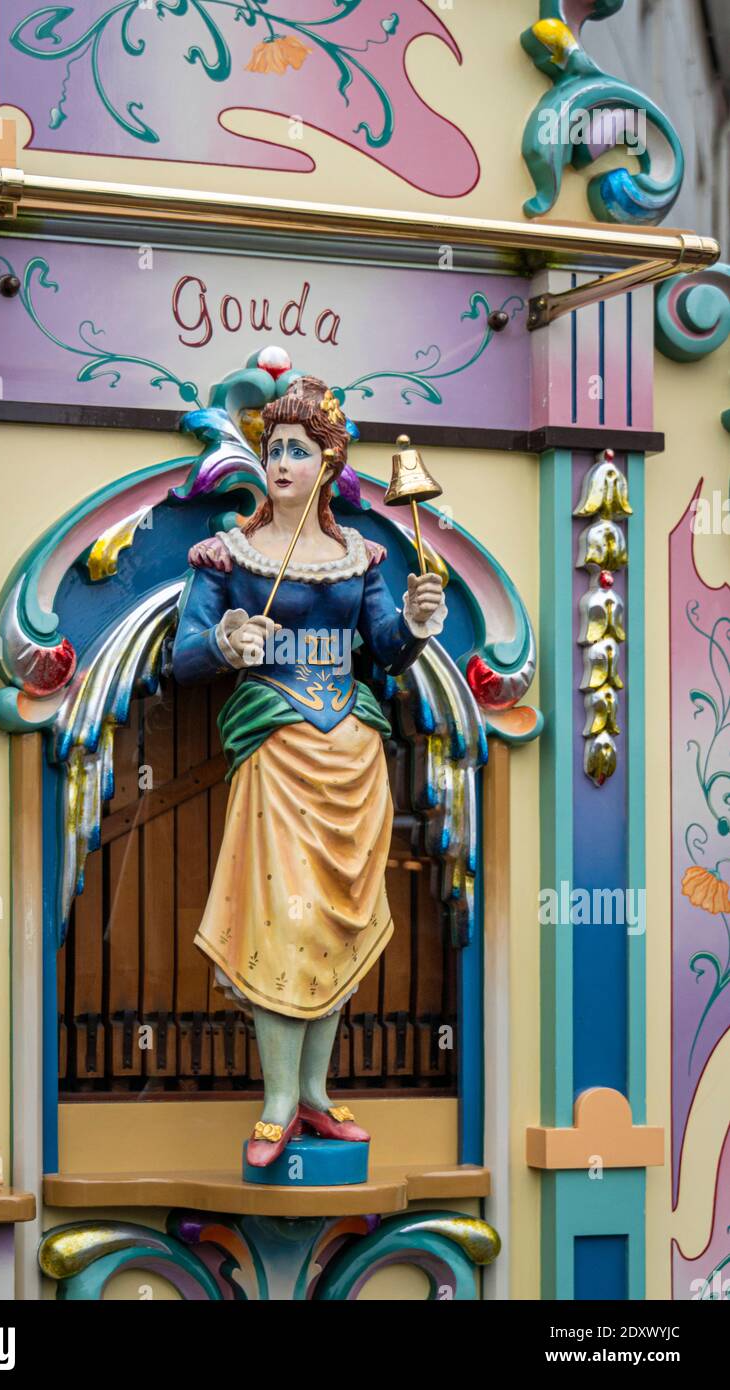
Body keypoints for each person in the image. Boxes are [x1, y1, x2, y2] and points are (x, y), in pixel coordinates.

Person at [171, 377, 446, 1166]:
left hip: (353, 754)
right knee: (280, 921)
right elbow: (182, 657)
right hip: (277, 751)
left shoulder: (361, 556)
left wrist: (418, 626)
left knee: (338, 918)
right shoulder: (229, 554)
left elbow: (385, 650)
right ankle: (279, 1097)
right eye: (273, 448)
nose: (282, 461)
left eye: (298, 449)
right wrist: (225, 643)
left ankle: (318, 1094)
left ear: (328, 465)